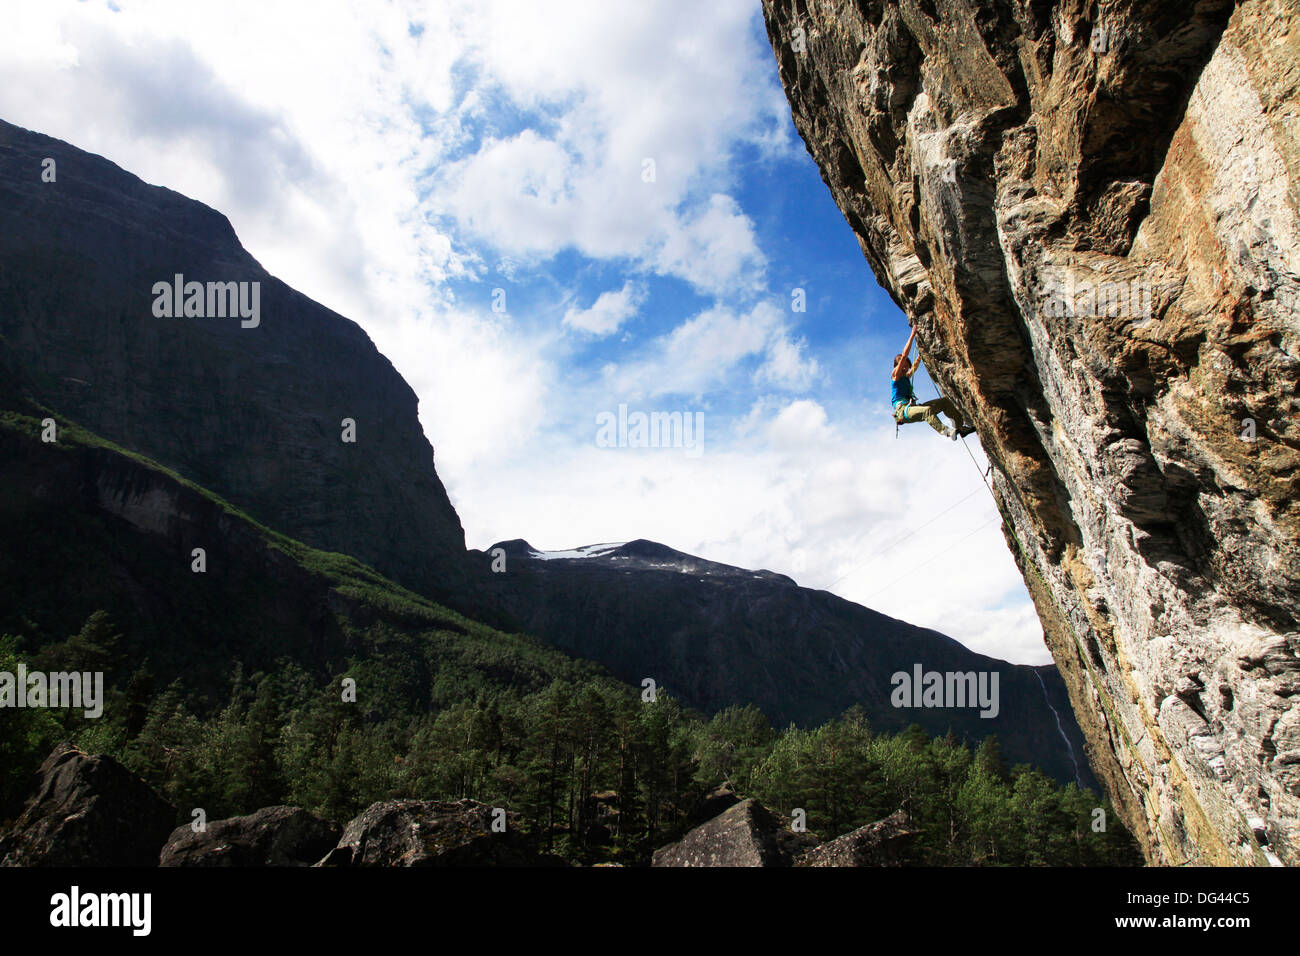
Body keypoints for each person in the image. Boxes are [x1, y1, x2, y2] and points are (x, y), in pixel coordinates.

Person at [891, 327, 973, 439]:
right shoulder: (895, 375)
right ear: (897, 365)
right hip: (903, 412)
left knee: (945, 402)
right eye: (902, 363)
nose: (904, 366)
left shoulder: (906, 377)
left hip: (912, 407)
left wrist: (921, 354)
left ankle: (960, 428)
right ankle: (946, 431)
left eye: (906, 364)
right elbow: (904, 355)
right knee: (927, 411)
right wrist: (912, 335)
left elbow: (915, 366)